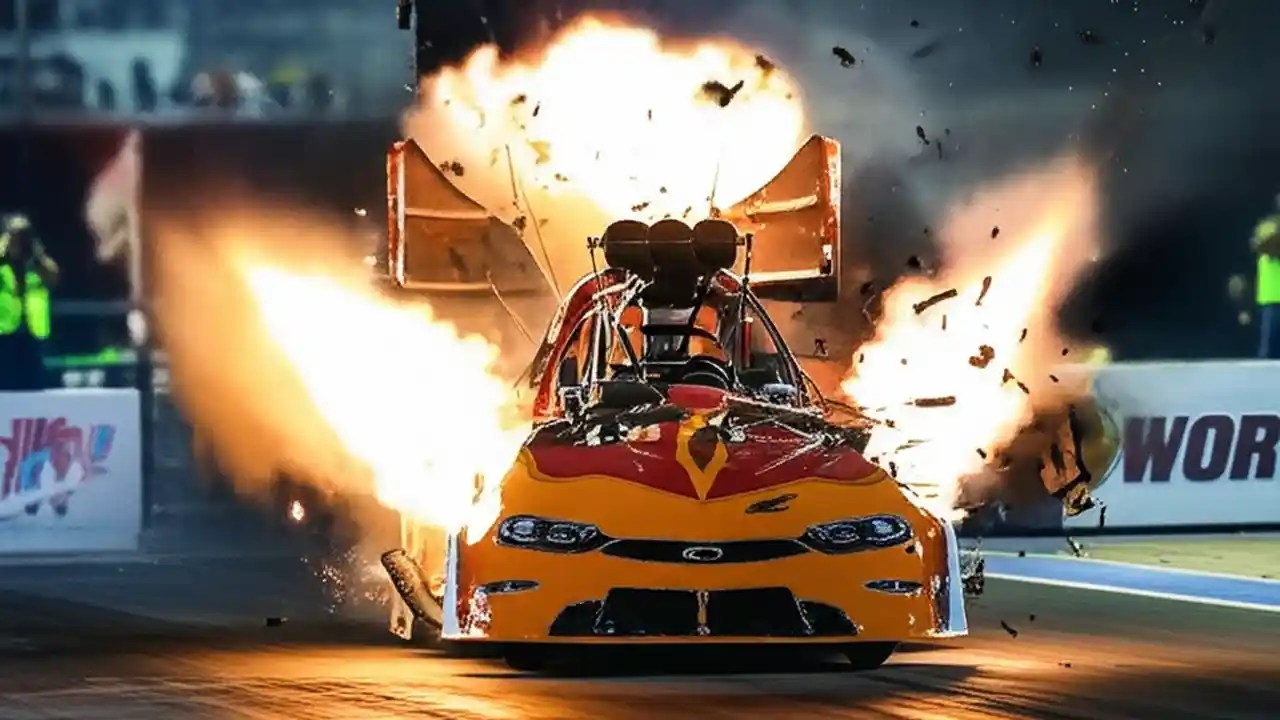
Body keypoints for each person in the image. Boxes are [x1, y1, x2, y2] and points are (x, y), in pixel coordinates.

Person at [0, 214, 59, 391]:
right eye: (15, 236)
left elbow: (54, 277)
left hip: (33, 332)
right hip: (5, 333)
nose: (19, 242)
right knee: (6, 384)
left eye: (24, 237)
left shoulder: (38, 263)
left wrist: (37, 256)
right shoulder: (2, 261)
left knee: (33, 385)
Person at [1252, 194, 1280, 359]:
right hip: (1272, 298)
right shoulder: (1267, 226)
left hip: (1272, 298)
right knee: (1268, 350)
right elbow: (1263, 246)